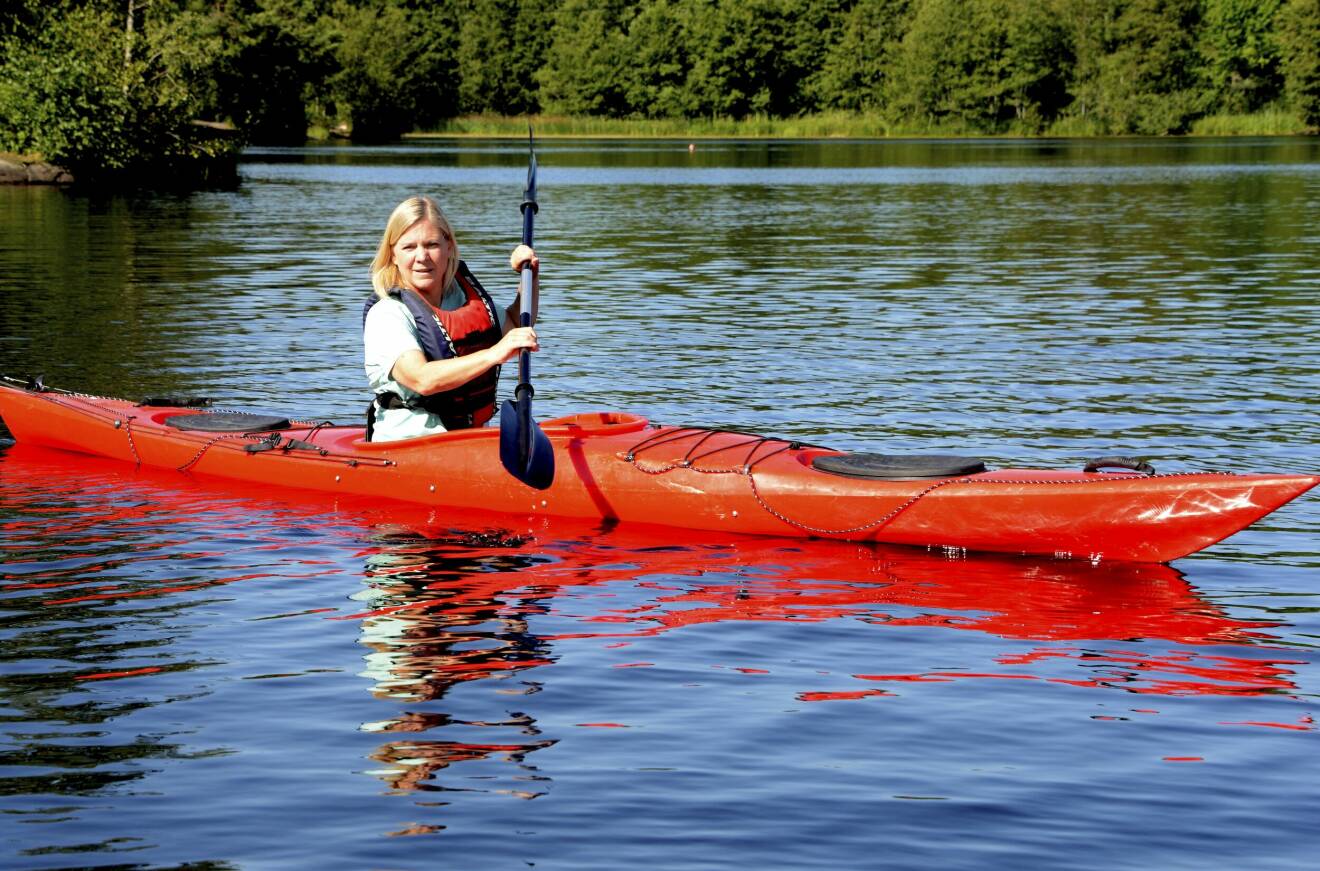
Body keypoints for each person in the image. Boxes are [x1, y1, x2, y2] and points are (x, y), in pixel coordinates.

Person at [363, 195, 540, 442]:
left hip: (466, 442)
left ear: (449, 246)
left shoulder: (462, 299)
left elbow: (517, 326)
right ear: (393, 254)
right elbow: (421, 378)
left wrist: (528, 274)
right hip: (405, 446)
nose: (422, 256)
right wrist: (494, 353)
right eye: (409, 247)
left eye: (432, 245)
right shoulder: (387, 314)